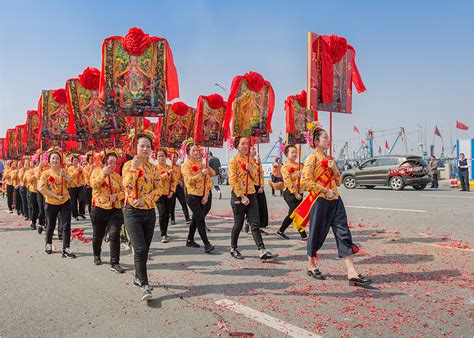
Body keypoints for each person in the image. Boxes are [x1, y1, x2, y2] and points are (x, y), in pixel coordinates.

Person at [302, 122, 371, 287]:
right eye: (325, 137)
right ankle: (311, 264)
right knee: (317, 234)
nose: (328, 140)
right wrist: (324, 190)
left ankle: (351, 272)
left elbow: (339, 181)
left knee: (343, 233)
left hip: (336, 200)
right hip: (320, 201)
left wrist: (334, 170)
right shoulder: (311, 158)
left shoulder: (329, 159)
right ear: (316, 141)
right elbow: (305, 181)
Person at [122, 131, 160, 301]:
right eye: (142, 145)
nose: (145, 148)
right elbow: (127, 186)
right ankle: (145, 284)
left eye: (148, 146)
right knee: (140, 248)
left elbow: (159, 189)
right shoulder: (128, 165)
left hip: (149, 212)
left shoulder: (154, 168)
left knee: (144, 249)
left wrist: (145, 199)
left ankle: (138, 277)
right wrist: (133, 168)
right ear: (135, 147)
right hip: (132, 212)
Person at [228, 136, 272, 260]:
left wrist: (251, 169)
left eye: (247, 144)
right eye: (243, 143)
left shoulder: (251, 161)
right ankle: (233, 248)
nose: (246, 146)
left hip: (252, 195)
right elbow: (232, 180)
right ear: (237, 145)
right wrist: (241, 196)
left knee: (255, 224)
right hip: (238, 196)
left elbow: (257, 179)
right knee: (238, 223)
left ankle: (261, 249)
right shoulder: (233, 161)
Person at [89, 151, 125, 273]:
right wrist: (103, 174)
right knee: (98, 235)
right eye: (110, 162)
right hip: (99, 208)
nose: (113, 165)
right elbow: (93, 184)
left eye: (115, 163)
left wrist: (117, 196)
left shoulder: (118, 176)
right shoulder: (97, 171)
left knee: (115, 235)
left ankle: (114, 262)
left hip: (114, 210)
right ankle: (96, 254)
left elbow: (124, 191)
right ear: (105, 162)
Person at [38, 149, 76, 258]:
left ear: (61, 160)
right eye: (53, 158)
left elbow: (72, 184)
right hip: (51, 202)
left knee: (66, 225)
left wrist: (66, 176)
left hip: (65, 202)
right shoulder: (46, 173)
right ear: (49, 161)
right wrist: (55, 196)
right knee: (50, 224)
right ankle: (48, 243)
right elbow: (41, 188)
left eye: (57, 158)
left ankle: (66, 248)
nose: (55, 160)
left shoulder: (65, 171)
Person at [181, 143, 216, 253]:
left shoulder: (201, 164)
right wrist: (201, 173)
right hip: (192, 195)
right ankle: (207, 244)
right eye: (193, 151)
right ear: (188, 153)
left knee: (196, 218)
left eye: (197, 150)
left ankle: (190, 239)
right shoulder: (185, 165)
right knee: (200, 218)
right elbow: (189, 181)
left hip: (203, 195)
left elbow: (212, 174)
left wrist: (207, 165)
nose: (196, 153)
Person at [277, 144, 308, 240]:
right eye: (292, 152)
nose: (294, 154)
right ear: (287, 154)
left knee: (294, 213)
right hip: (290, 193)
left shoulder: (300, 165)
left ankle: (281, 231)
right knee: (296, 213)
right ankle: (303, 236)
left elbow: (306, 176)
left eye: (296, 152)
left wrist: (302, 175)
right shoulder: (285, 167)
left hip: (300, 192)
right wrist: (295, 193)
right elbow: (287, 181)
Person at [155, 148, 176, 243]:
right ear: (156, 158)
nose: (161, 158)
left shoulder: (169, 167)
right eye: (159, 156)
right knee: (162, 213)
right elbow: (157, 179)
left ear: (166, 157)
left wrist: (172, 191)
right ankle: (162, 234)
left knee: (167, 214)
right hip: (158, 194)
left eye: (163, 155)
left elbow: (174, 181)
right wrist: (167, 174)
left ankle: (165, 232)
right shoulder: (154, 168)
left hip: (168, 194)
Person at [249, 145, 268, 234]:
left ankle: (260, 225)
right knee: (254, 207)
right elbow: (253, 173)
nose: (254, 151)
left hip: (259, 186)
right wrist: (256, 164)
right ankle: (251, 223)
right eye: (253, 149)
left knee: (262, 206)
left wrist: (262, 185)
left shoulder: (257, 161)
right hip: (251, 187)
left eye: (255, 149)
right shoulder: (247, 161)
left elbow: (261, 173)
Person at [169, 151, 191, 225]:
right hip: (171, 187)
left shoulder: (179, 167)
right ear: (169, 158)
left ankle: (187, 218)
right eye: (172, 157)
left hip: (179, 187)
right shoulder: (168, 167)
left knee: (183, 202)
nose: (174, 158)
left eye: (175, 157)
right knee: (172, 204)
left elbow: (182, 176)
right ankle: (172, 218)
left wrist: (181, 181)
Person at [68, 154, 86, 221]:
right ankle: (75, 214)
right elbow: (70, 177)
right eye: (74, 160)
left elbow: (84, 176)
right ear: (72, 161)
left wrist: (81, 183)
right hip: (72, 187)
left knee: (82, 199)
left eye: (77, 160)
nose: (76, 161)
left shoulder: (81, 168)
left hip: (80, 186)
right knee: (73, 201)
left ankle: (81, 212)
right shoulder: (70, 168)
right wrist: (76, 171)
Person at [26, 159, 40, 230]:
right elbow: (28, 180)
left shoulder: (43, 171)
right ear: (34, 164)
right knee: (34, 208)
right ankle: (33, 223)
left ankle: (42, 223)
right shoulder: (30, 171)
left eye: (39, 163)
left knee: (42, 209)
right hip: (33, 191)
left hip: (41, 191)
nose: (38, 164)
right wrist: (37, 173)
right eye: (37, 163)